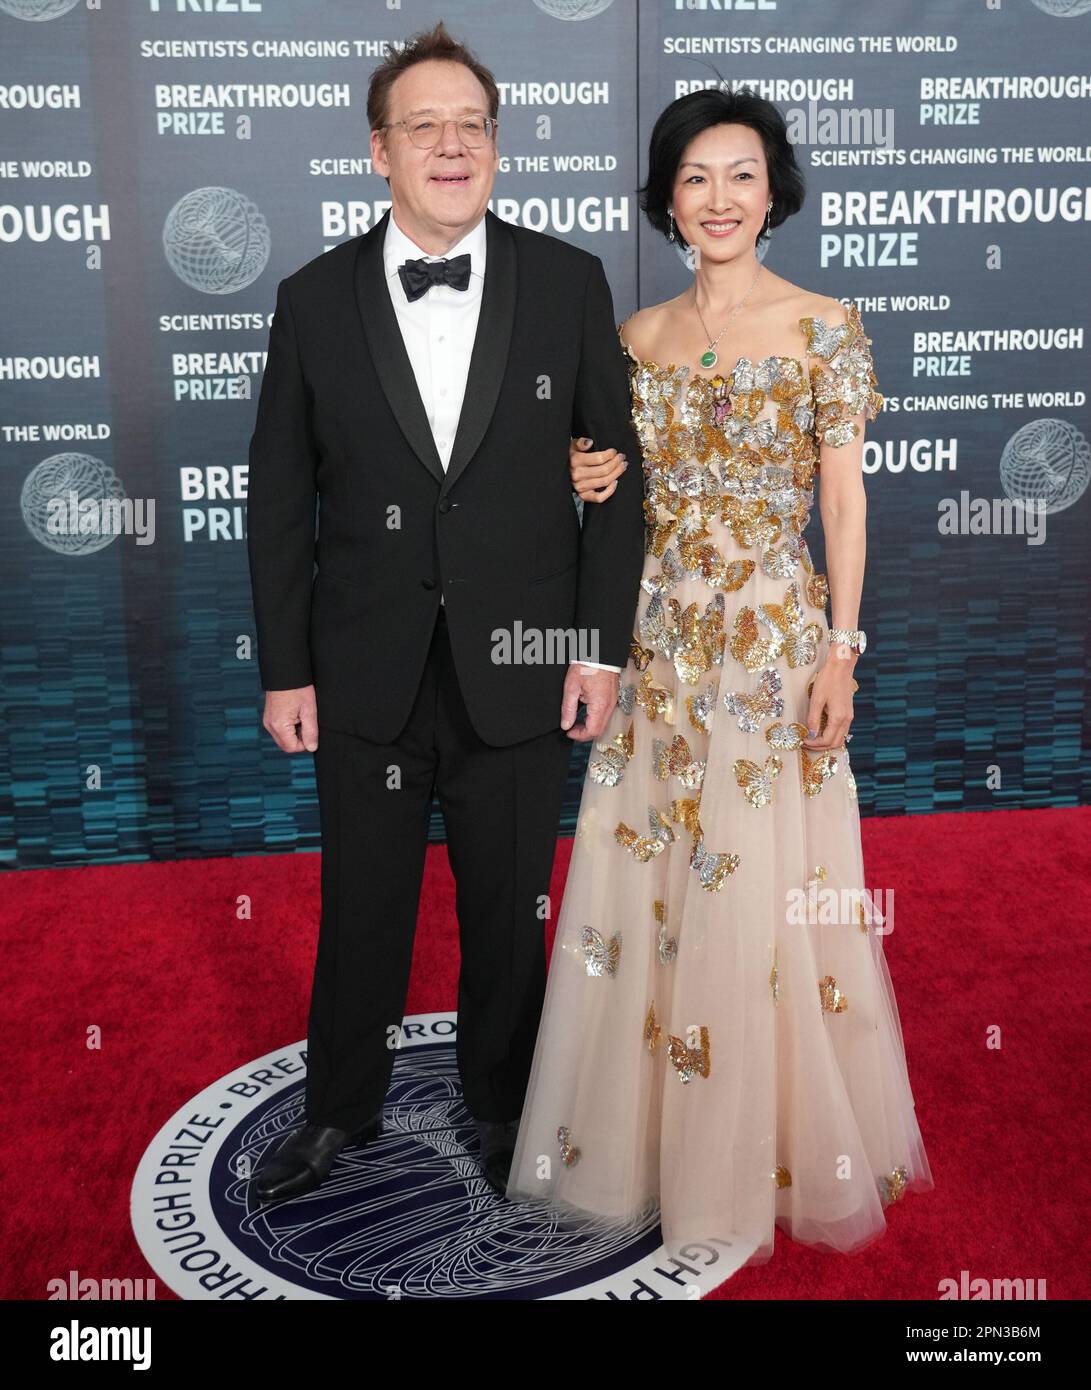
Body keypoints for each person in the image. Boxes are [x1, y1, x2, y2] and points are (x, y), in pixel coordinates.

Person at [506, 89, 934, 1273]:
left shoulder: (823, 326)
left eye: (740, 175)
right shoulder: (633, 337)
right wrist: (591, 476)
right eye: (694, 177)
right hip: (659, 647)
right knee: (644, 889)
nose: (718, 200)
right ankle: (638, 1143)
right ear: (666, 198)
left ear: (773, 191)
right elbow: (614, 494)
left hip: (771, 648)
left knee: (761, 898)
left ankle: (752, 1150)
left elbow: (841, 501)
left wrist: (842, 648)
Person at [245, 22, 644, 1203]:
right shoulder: (311, 298)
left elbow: (614, 484)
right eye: (422, 124)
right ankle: (337, 1112)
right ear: (379, 151)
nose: (450, 143)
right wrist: (284, 669)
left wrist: (598, 651)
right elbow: (278, 503)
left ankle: (506, 1100)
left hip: (522, 662)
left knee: (508, 903)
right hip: (363, 663)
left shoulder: (567, 280)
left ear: (498, 147)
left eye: (471, 123)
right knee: (361, 905)